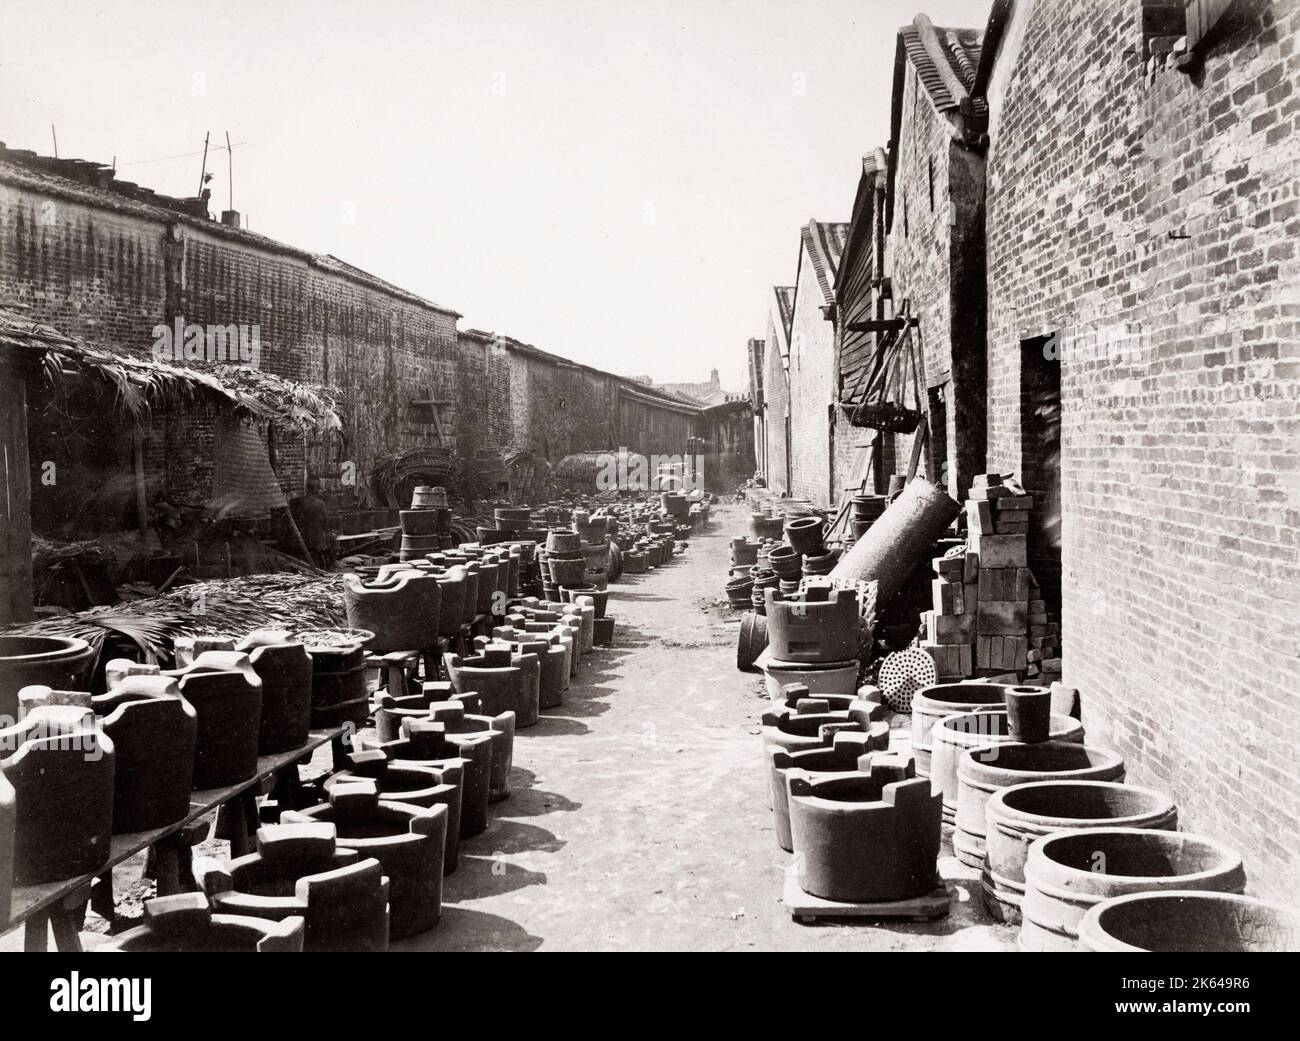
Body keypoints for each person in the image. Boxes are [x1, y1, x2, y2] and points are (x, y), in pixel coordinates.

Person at [290, 476, 334, 568]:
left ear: (307, 488)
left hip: (301, 537)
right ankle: (330, 566)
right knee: (333, 539)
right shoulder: (320, 504)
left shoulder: (299, 501)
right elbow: (325, 523)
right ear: (317, 489)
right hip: (316, 539)